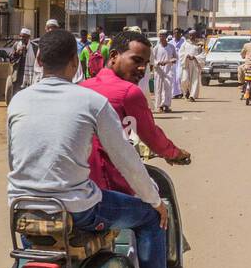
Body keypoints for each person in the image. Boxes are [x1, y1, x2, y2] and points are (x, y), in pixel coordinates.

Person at [7, 29, 192, 268]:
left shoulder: (18, 101)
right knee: (149, 218)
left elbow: (15, 157)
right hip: (77, 207)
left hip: (23, 207)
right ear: (74, 62)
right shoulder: (90, 100)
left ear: (39, 60)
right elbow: (128, 159)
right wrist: (155, 202)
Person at [80, 28, 191, 195]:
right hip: (107, 182)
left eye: (145, 64)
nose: (142, 69)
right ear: (114, 56)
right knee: (156, 211)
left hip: (75, 181)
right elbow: (150, 135)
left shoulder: (82, 87)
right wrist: (174, 153)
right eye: (136, 61)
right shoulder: (129, 92)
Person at [9, 27, 42, 98]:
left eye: (24, 36)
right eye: (20, 36)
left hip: (31, 74)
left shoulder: (34, 47)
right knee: (16, 93)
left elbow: (39, 60)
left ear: (28, 37)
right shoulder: (16, 45)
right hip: (18, 73)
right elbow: (11, 60)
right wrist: (17, 52)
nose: (21, 38)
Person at [153, 30, 178, 113]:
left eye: (163, 35)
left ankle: (166, 105)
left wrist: (171, 60)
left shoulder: (171, 47)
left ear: (166, 36)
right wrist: (159, 63)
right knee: (159, 88)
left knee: (167, 88)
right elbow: (152, 60)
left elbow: (175, 57)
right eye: (160, 35)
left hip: (168, 70)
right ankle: (160, 106)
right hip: (159, 71)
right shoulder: (156, 48)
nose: (161, 37)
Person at [181, 31, 205, 102]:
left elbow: (202, 55)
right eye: (190, 35)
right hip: (186, 63)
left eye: (193, 35)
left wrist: (195, 57)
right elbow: (181, 54)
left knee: (195, 80)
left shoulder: (199, 45)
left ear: (195, 35)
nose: (192, 37)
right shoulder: (185, 44)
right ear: (189, 35)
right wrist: (186, 56)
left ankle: (192, 96)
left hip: (195, 64)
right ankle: (187, 90)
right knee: (184, 80)